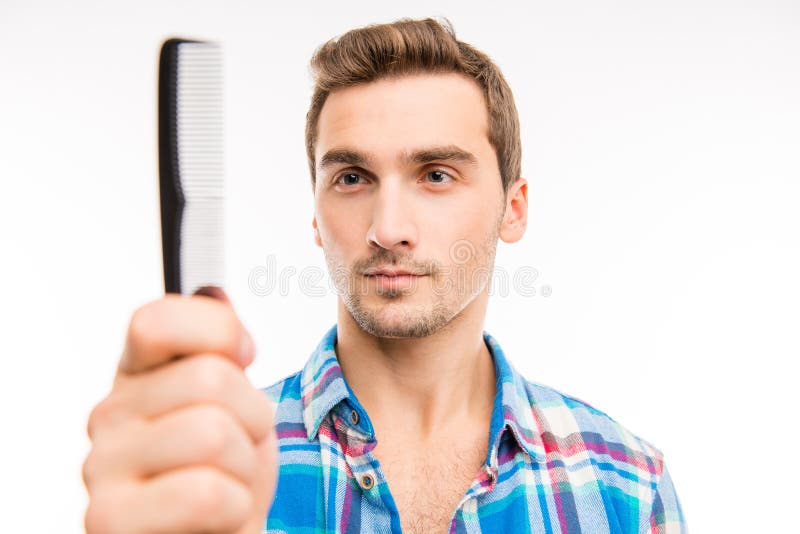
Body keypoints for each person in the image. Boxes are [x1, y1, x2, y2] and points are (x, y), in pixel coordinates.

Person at [83, 17, 686, 534]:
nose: (388, 228)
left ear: (514, 208)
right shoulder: (211, 469)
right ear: (315, 215)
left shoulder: (626, 485)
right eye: (351, 178)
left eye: (436, 174)